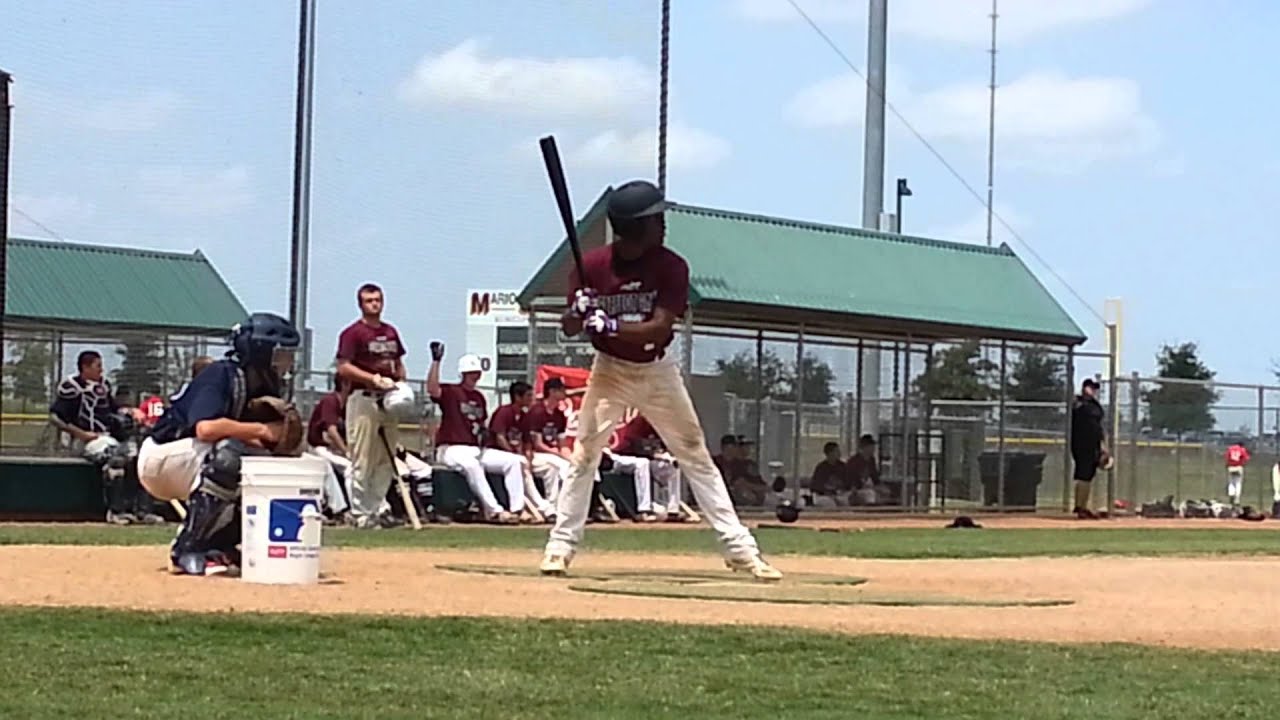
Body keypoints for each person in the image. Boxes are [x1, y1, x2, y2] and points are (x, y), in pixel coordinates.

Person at [539, 179, 781, 580]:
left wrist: (610, 322)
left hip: (656, 371)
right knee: (584, 455)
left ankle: (740, 549)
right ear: (633, 227)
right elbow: (568, 327)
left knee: (693, 453)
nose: (663, 224)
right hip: (610, 370)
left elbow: (658, 326)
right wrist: (577, 311)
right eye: (655, 219)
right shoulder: (594, 266)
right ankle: (560, 548)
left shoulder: (671, 266)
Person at [139, 312, 300, 576]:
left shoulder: (265, 385)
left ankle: (218, 545)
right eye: (281, 354)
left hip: (193, 459)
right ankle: (186, 549)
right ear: (261, 352)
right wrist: (262, 430)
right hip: (161, 458)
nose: (287, 361)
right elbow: (206, 428)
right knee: (230, 455)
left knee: (266, 468)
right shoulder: (221, 374)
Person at [49, 350, 156, 524]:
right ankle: (115, 511)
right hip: (84, 441)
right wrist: (82, 434)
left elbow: (113, 410)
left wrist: (130, 411)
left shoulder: (103, 386)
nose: (101, 370)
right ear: (85, 367)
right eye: (97, 366)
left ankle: (142, 512)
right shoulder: (72, 387)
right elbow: (55, 417)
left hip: (108, 438)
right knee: (117, 459)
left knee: (140, 459)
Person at [334, 283, 410, 529]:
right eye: (369, 301)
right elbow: (343, 366)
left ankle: (377, 508)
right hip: (364, 397)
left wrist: (400, 382)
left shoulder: (390, 332)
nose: (374, 304)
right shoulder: (353, 333)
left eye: (377, 300)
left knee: (385, 459)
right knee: (362, 458)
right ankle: (359, 512)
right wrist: (372, 379)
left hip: (388, 399)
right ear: (361, 304)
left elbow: (398, 361)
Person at [427, 342, 527, 524]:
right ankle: (494, 511)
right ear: (463, 374)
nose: (475, 375)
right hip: (451, 448)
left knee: (513, 461)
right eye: (471, 372)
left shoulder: (479, 397)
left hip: (474, 447)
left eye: (477, 372)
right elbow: (433, 390)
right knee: (472, 465)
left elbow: (482, 426)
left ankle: (517, 509)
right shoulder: (452, 391)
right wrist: (436, 361)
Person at [489, 381, 556, 521]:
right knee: (520, 464)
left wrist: (529, 458)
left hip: (518, 457)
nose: (531, 399)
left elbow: (527, 442)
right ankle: (543, 507)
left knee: (550, 468)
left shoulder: (525, 416)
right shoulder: (504, 411)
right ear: (517, 397)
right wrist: (516, 455)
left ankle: (552, 504)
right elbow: (499, 438)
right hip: (497, 455)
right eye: (528, 396)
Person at [613, 413, 685, 521]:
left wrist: (669, 456)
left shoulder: (661, 423)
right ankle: (643, 510)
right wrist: (656, 455)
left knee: (672, 467)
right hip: (619, 457)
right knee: (643, 463)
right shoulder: (638, 422)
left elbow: (664, 445)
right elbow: (635, 446)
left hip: (644, 459)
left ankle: (673, 510)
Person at [305, 375, 355, 521]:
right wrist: (346, 451)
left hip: (333, 450)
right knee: (349, 467)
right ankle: (352, 510)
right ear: (345, 384)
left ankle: (348, 509)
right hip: (318, 448)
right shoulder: (331, 401)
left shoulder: (348, 405)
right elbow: (331, 431)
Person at [526, 378, 576, 505]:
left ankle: (570, 504)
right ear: (552, 391)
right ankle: (557, 505)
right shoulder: (537, 411)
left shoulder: (559, 415)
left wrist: (568, 455)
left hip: (552, 453)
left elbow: (562, 443)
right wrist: (557, 454)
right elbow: (537, 444)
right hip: (536, 454)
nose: (565, 392)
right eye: (561, 390)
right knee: (559, 466)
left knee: (573, 465)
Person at [1070, 378, 1107, 520]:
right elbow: (1080, 409)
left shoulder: (1093, 405)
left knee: (1087, 475)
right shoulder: (1080, 404)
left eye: (1095, 389)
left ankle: (1081, 506)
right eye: (1091, 388)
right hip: (1082, 445)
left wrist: (1103, 445)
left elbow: (1099, 426)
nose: (1094, 391)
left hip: (1093, 444)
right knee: (1084, 474)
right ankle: (1081, 507)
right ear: (1085, 388)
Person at [846, 434, 882, 506]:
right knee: (870, 494)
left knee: (881, 493)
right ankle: (869, 515)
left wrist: (880, 487)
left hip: (866, 488)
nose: (873, 448)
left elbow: (875, 478)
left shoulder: (871, 460)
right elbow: (849, 480)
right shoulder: (853, 461)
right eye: (871, 446)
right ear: (865, 447)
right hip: (855, 490)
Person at [1224, 440, 1250, 507]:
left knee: (1231, 482)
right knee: (1238, 483)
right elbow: (1246, 458)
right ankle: (1237, 499)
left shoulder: (1230, 448)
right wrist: (1243, 463)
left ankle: (1231, 495)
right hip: (1238, 467)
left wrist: (1227, 464)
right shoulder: (1242, 449)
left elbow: (1226, 457)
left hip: (1231, 467)